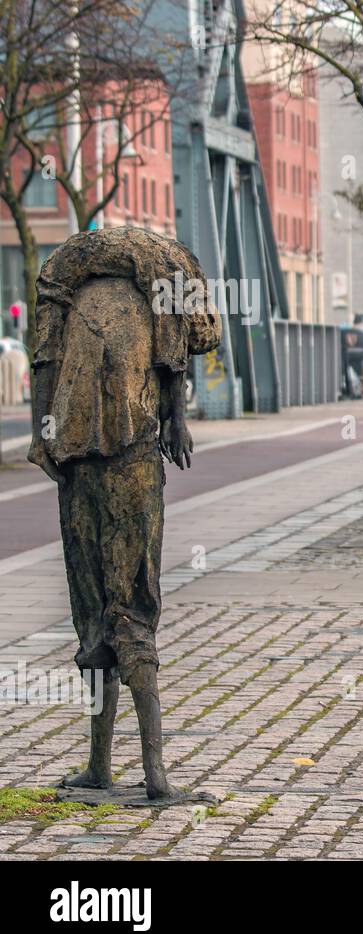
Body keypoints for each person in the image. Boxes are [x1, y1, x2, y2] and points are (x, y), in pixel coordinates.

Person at [26, 226, 221, 800]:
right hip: (131, 459)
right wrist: (177, 422)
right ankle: (155, 774)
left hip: (75, 461)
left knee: (91, 612)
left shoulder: (72, 292)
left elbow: (45, 366)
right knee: (134, 604)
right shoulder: (159, 288)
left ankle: (98, 763)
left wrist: (45, 438)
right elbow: (177, 357)